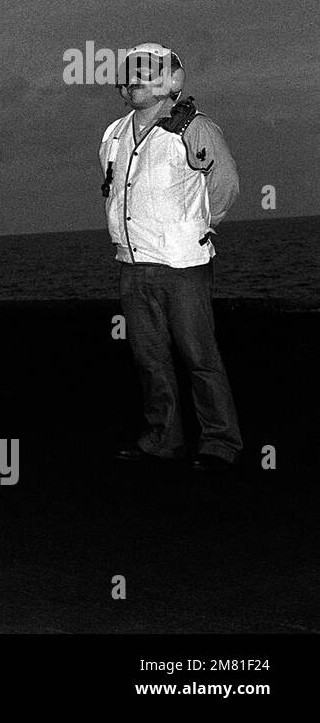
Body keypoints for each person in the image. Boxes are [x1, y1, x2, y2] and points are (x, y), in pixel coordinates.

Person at [102, 43, 242, 471]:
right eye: (127, 74)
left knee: (200, 356)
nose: (130, 81)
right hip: (132, 263)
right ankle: (163, 438)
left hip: (183, 264)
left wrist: (201, 227)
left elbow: (226, 184)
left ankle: (220, 443)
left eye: (142, 72)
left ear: (170, 80)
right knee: (149, 358)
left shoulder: (193, 128)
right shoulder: (113, 134)